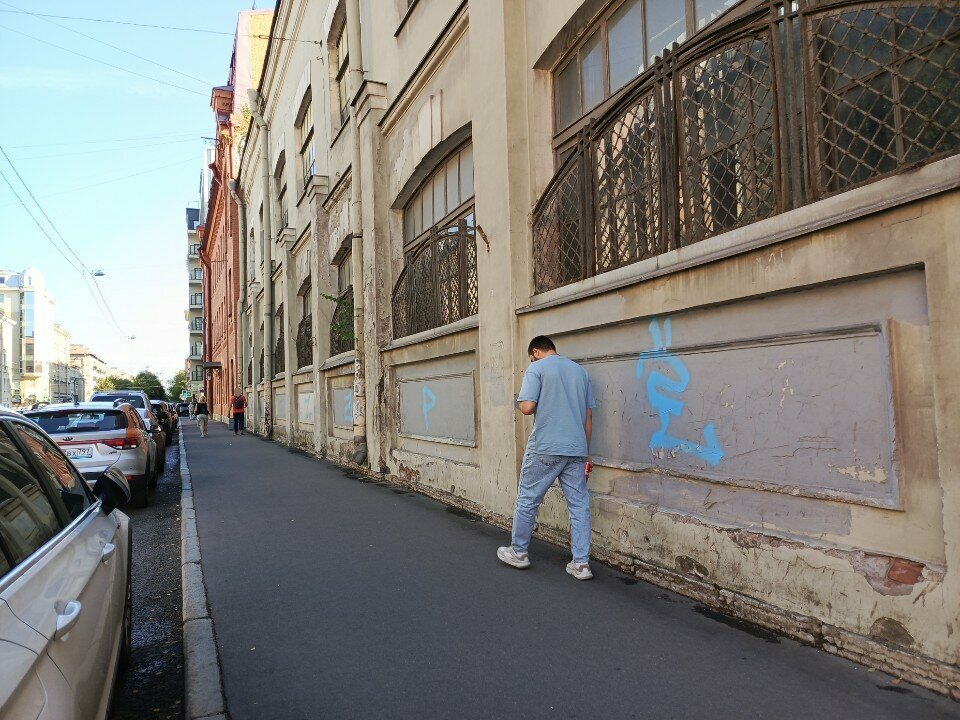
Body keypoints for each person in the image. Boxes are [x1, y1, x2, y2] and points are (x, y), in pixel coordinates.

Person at [498, 335, 596, 580]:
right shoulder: (580, 372)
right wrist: (586, 453)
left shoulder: (537, 368)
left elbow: (527, 407)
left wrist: (518, 399)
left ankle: (519, 552)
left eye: (531, 357)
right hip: (576, 448)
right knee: (579, 506)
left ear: (535, 352)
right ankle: (581, 564)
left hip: (546, 445)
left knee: (528, 498)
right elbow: (588, 418)